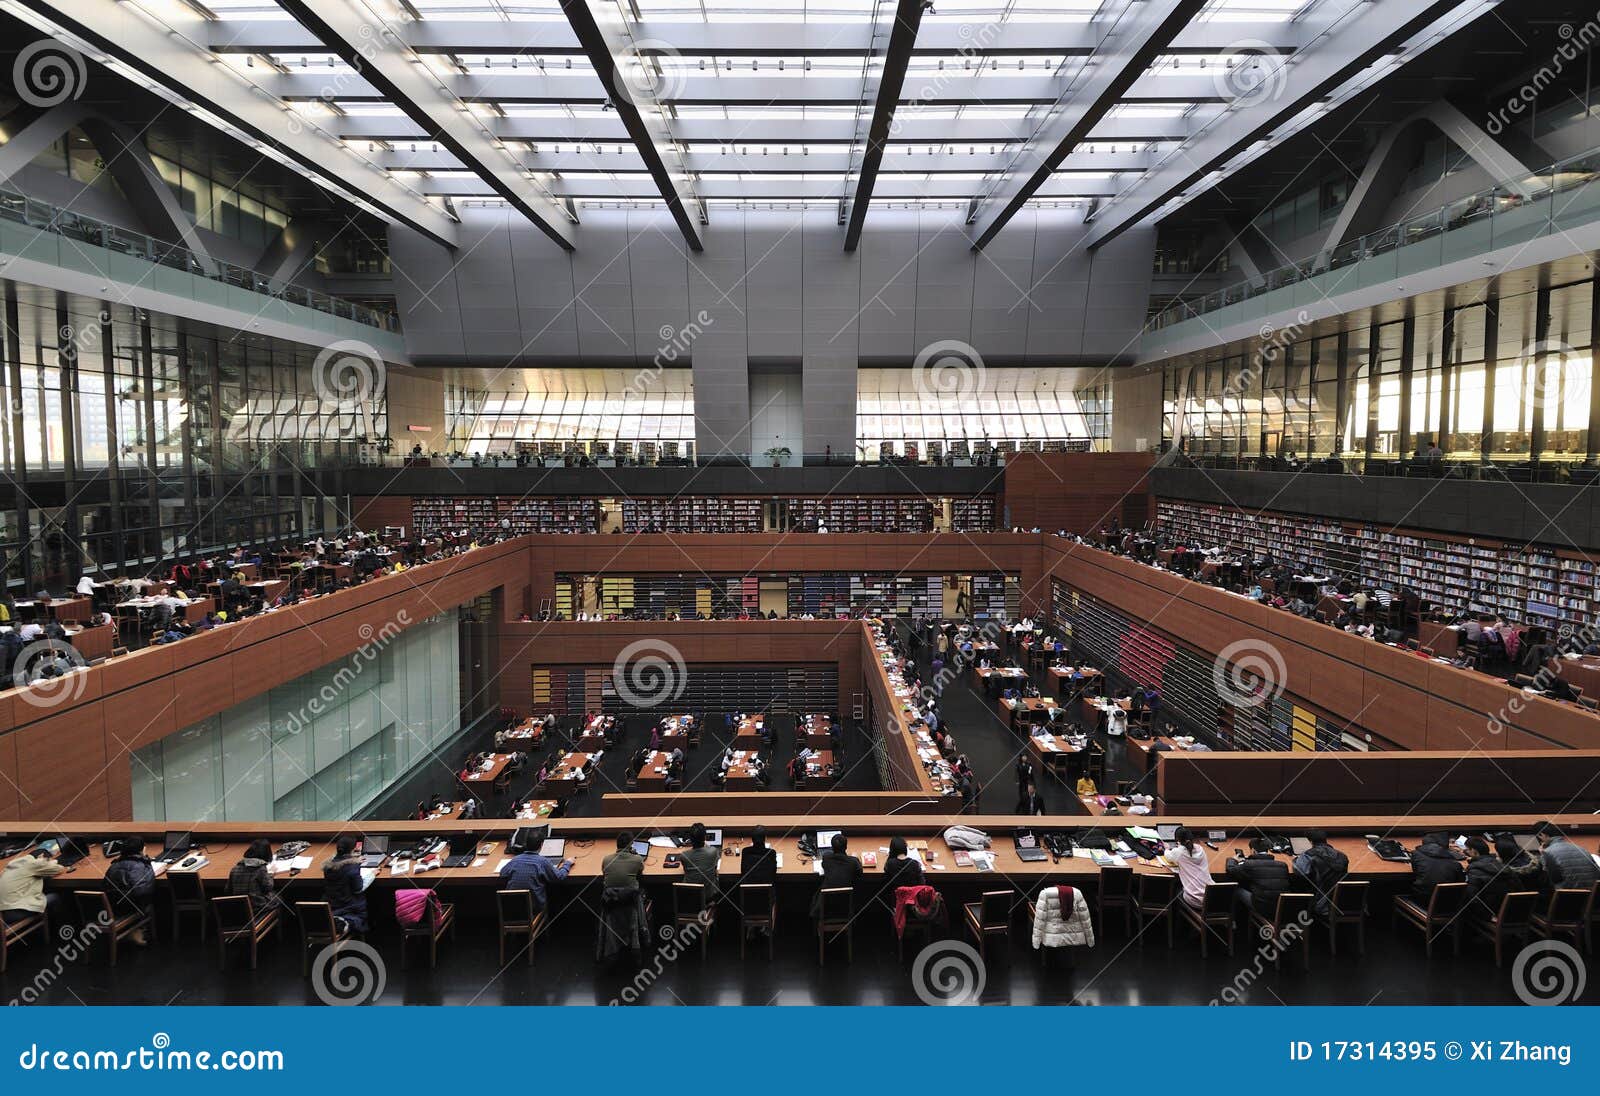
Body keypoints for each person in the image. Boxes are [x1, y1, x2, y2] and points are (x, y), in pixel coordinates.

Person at [104, 837, 157, 945]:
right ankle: (139, 930)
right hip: (130, 907)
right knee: (155, 899)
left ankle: (135, 931)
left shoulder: (113, 866)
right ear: (141, 850)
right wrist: (147, 861)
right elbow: (145, 890)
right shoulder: (140, 866)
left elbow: (104, 886)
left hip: (112, 907)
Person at [0, 843, 67, 927]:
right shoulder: (32, 863)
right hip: (15, 913)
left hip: (3, 914)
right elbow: (58, 869)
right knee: (55, 897)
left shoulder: (13, 865)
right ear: (41, 856)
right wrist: (54, 862)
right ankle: (60, 930)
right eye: (48, 861)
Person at [498, 844, 574, 915]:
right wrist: (567, 863)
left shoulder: (516, 859)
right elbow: (560, 877)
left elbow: (502, 873)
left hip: (511, 909)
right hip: (534, 910)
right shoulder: (542, 861)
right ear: (541, 845)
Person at [1225, 837, 1289, 921]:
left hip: (1262, 906)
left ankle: (1235, 922)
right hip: (1281, 906)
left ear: (1253, 850)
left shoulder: (1249, 864)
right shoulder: (1283, 865)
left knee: (1236, 890)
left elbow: (1231, 870)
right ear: (1268, 850)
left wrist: (1232, 860)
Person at [1291, 829, 1349, 917]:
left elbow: (1300, 872)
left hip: (1321, 905)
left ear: (1310, 841)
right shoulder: (1342, 856)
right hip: (1343, 903)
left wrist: (1296, 859)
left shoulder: (1308, 855)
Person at [1533, 820, 1599, 893]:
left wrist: (1542, 855)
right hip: (1593, 895)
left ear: (1542, 835)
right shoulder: (1581, 849)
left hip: (1567, 896)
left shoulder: (1547, 853)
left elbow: (1549, 879)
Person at [321, 836, 370, 934]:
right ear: (353, 849)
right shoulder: (352, 868)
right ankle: (345, 924)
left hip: (332, 905)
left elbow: (340, 862)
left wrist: (354, 859)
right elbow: (358, 889)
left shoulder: (328, 867)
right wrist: (372, 874)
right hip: (350, 906)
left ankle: (338, 920)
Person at [811, 832, 863, 916]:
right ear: (846, 847)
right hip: (846, 905)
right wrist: (855, 858)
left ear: (832, 847)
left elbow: (824, 865)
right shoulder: (853, 861)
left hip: (826, 905)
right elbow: (859, 873)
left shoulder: (826, 858)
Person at [226, 838, 281, 915]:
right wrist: (271, 874)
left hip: (239, 908)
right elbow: (268, 887)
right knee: (280, 897)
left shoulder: (235, 868)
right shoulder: (260, 868)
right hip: (257, 908)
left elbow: (228, 889)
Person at [1163, 827, 1211, 911]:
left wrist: (1166, 848)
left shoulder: (1178, 852)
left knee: (1175, 890)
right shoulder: (1201, 849)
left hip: (1194, 900)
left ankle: (1177, 921)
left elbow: (1168, 856)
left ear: (1177, 840)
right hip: (1210, 897)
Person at [1409, 831, 1465, 902]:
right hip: (1450, 902)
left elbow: (1416, 872)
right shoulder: (1456, 864)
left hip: (1422, 900)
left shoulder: (1416, 854)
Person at [678, 822, 720, 901]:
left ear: (690, 839)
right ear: (705, 837)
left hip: (691, 896)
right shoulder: (713, 852)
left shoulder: (684, 856)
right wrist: (707, 845)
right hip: (709, 895)